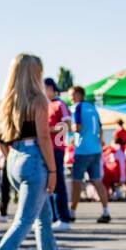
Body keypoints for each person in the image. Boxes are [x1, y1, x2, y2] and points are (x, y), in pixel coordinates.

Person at [0, 54, 73, 250]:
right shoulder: (38, 100)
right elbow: (43, 138)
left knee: (43, 216)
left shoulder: (8, 102)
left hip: (14, 158)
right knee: (24, 219)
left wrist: (12, 156)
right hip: (34, 160)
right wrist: (52, 170)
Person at [68, 85, 110, 223]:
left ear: (79, 95)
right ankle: (105, 211)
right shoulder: (92, 107)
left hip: (82, 150)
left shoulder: (77, 107)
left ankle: (72, 213)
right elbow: (100, 128)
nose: (70, 97)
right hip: (95, 149)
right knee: (97, 180)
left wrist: (69, 131)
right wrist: (100, 141)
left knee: (76, 181)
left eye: (72, 94)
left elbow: (77, 127)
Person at [43, 78, 74, 229]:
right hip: (46, 148)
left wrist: (47, 130)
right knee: (48, 184)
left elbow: (67, 126)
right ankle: (53, 217)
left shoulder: (59, 104)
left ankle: (64, 218)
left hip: (56, 148)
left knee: (58, 182)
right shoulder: (45, 105)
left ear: (50, 88)